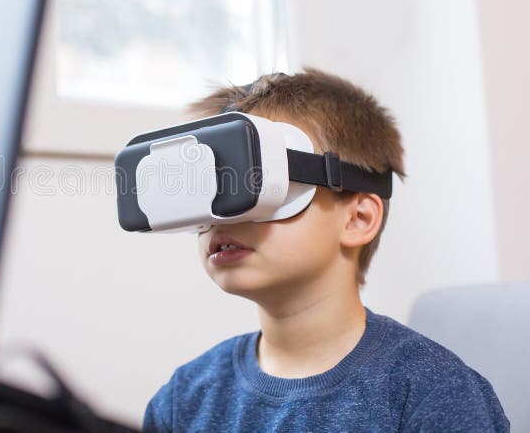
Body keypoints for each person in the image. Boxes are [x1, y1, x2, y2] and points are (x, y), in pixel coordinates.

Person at [142, 69, 509, 432]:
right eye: (211, 189)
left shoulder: (435, 395)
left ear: (358, 218)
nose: (222, 215)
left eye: (258, 183)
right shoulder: (183, 399)